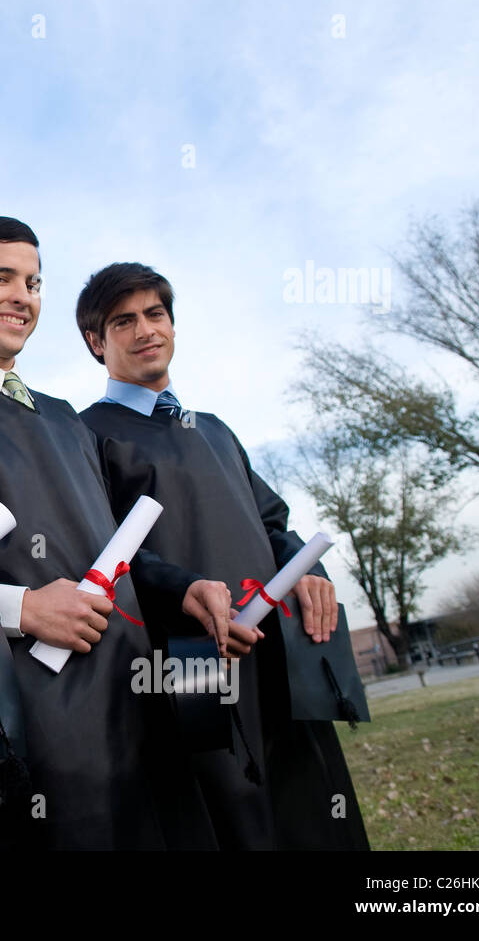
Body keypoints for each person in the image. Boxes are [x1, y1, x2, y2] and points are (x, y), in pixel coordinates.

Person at [0, 216, 225, 849]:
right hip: (36, 721)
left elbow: (114, 544)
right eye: (0, 277)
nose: (23, 296)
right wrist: (23, 608)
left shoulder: (66, 419)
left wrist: (182, 588)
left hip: (139, 700)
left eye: (33, 282)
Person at [76, 261, 369, 849]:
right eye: (123, 321)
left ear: (173, 326)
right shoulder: (87, 435)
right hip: (186, 666)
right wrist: (182, 589)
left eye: (155, 314)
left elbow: (272, 522)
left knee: (314, 820)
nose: (144, 331)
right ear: (96, 341)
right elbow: (105, 551)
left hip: (279, 659)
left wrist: (308, 571)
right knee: (233, 822)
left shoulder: (214, 429)